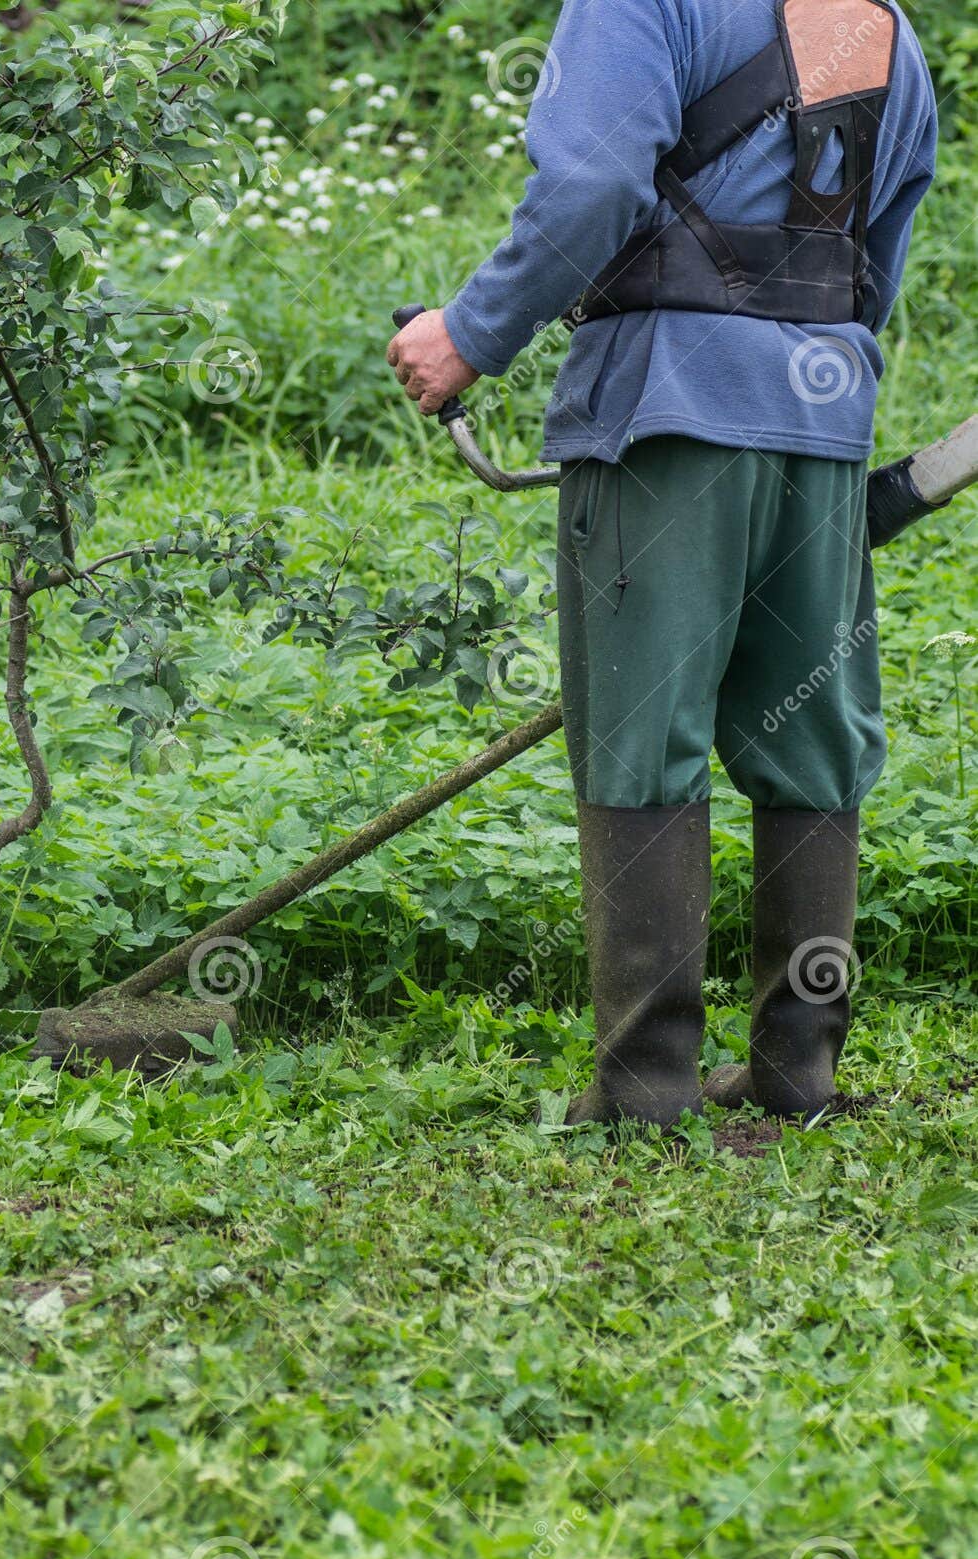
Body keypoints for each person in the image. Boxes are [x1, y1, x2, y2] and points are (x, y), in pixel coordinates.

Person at [387, 0, 938, 1128]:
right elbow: (878, 255)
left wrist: (470, 334)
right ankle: (797, 1068)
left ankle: (645, 1087)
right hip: (824, 426)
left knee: (643, 737)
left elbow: (589, 191)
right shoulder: (883, 24)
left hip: (663, 415)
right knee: (815, 741)